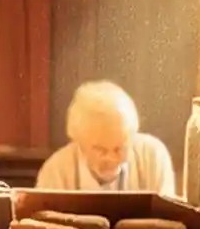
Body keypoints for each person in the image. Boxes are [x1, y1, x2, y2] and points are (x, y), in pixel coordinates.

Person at [35, 80, 176, 195]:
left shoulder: (152, 156)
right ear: (78, 142)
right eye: (100, 150)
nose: (111, 158)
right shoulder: (55, 171)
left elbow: (169, 222)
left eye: (119, 148)